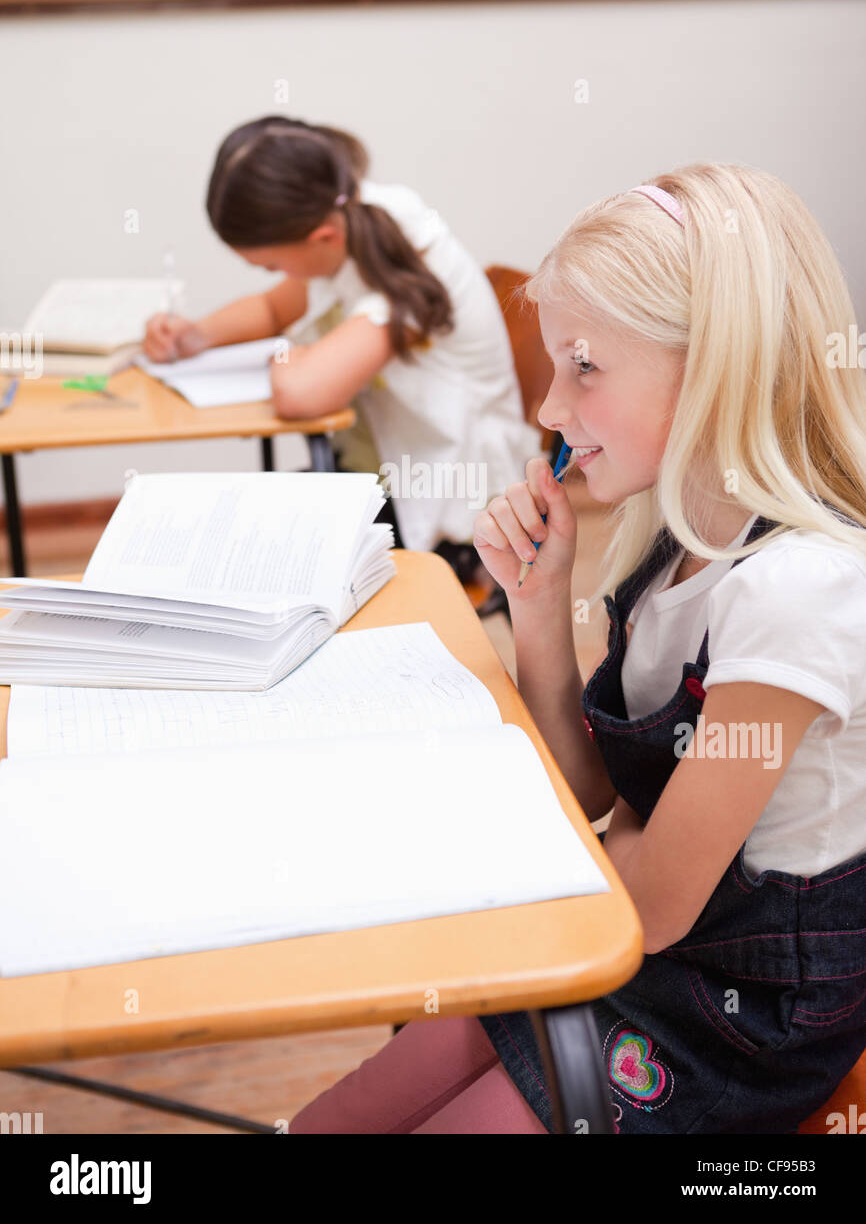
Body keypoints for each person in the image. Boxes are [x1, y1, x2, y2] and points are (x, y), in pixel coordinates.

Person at [289, 161, 866, 1133]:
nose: (549, 408)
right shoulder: (675, 534)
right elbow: (589, 795)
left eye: (583, 366)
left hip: (738, 1008)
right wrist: (537, 598)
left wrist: (620, 840)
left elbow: (654, 906)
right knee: (338, 1119)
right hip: (628, 932)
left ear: (716, 363)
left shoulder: (795, 594)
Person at [142, 115, 540, 580]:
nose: (274, 275)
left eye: (271, 264)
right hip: (378, 473)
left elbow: (299, 393)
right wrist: (195, 335)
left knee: (241, 549)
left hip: (453, 509)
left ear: (322, 238)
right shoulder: (348, 215)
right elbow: (275, 310)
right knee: (220, 523)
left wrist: (287, 353)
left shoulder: (406, 263)